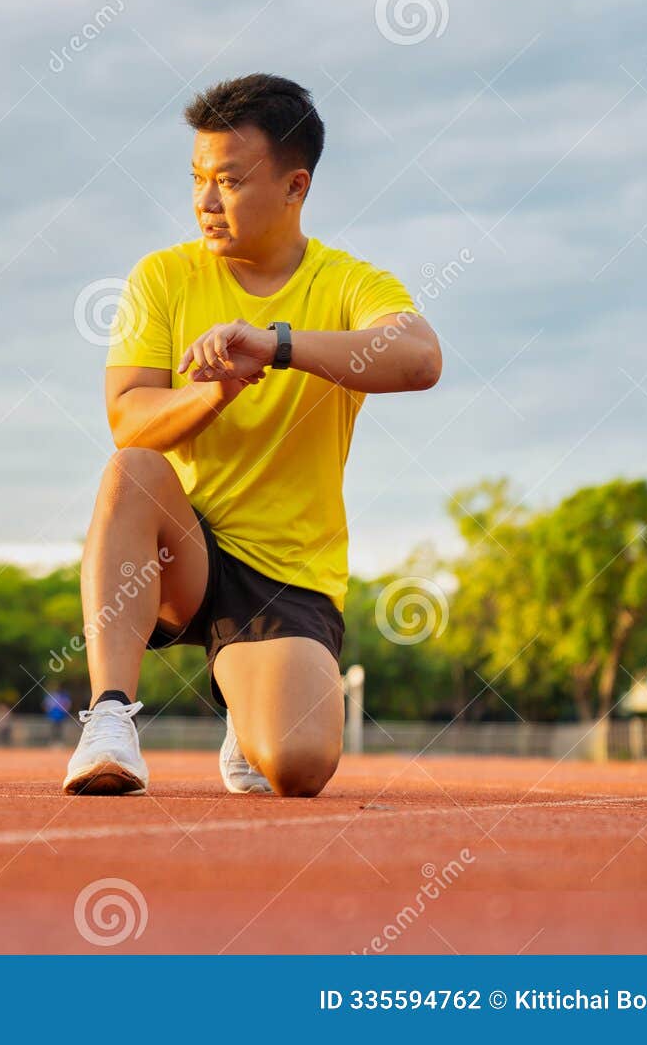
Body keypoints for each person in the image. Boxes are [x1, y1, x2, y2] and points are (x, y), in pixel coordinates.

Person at [63, 74, 441, 798]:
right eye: (198, 179)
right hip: (183, 550)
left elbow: (420, 358)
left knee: (296, 770)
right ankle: (109, 720)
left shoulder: (347, 282)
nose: (205, 201)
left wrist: (278, 347)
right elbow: (128, 418)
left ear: (295, 187)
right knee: (134, 469)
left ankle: (250, 705)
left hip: (285, 572)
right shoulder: (164, 277)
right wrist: (212, 391)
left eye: (229, 182)